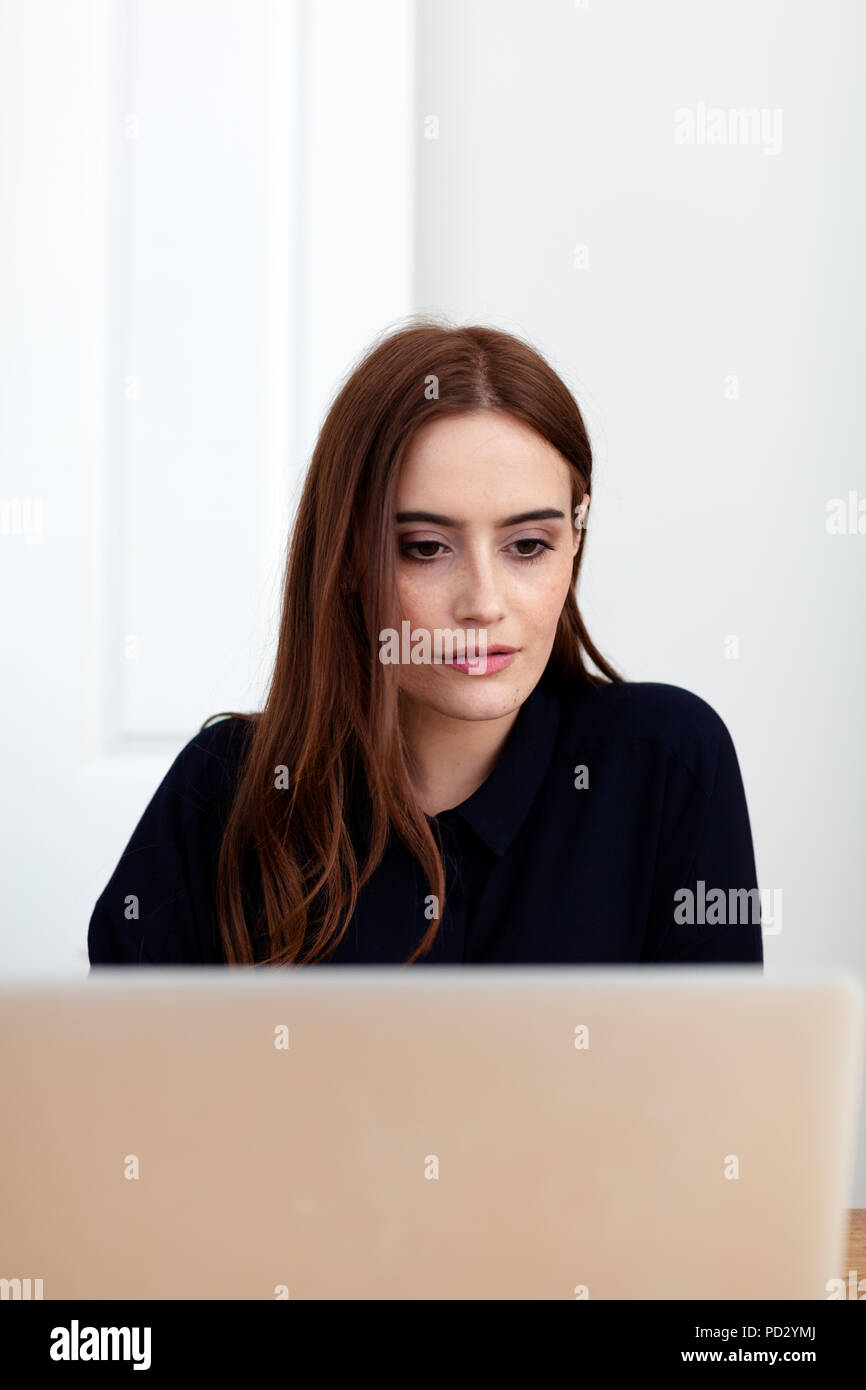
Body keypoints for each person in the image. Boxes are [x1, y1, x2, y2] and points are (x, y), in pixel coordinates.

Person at [87, 320, 763, 969]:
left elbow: (722, 1080)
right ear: (349, 557)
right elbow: (118, 1080)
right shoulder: (221, 793)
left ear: (575, 540)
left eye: (528, 546)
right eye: (426, 548)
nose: (484, 604)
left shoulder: (667, 763)